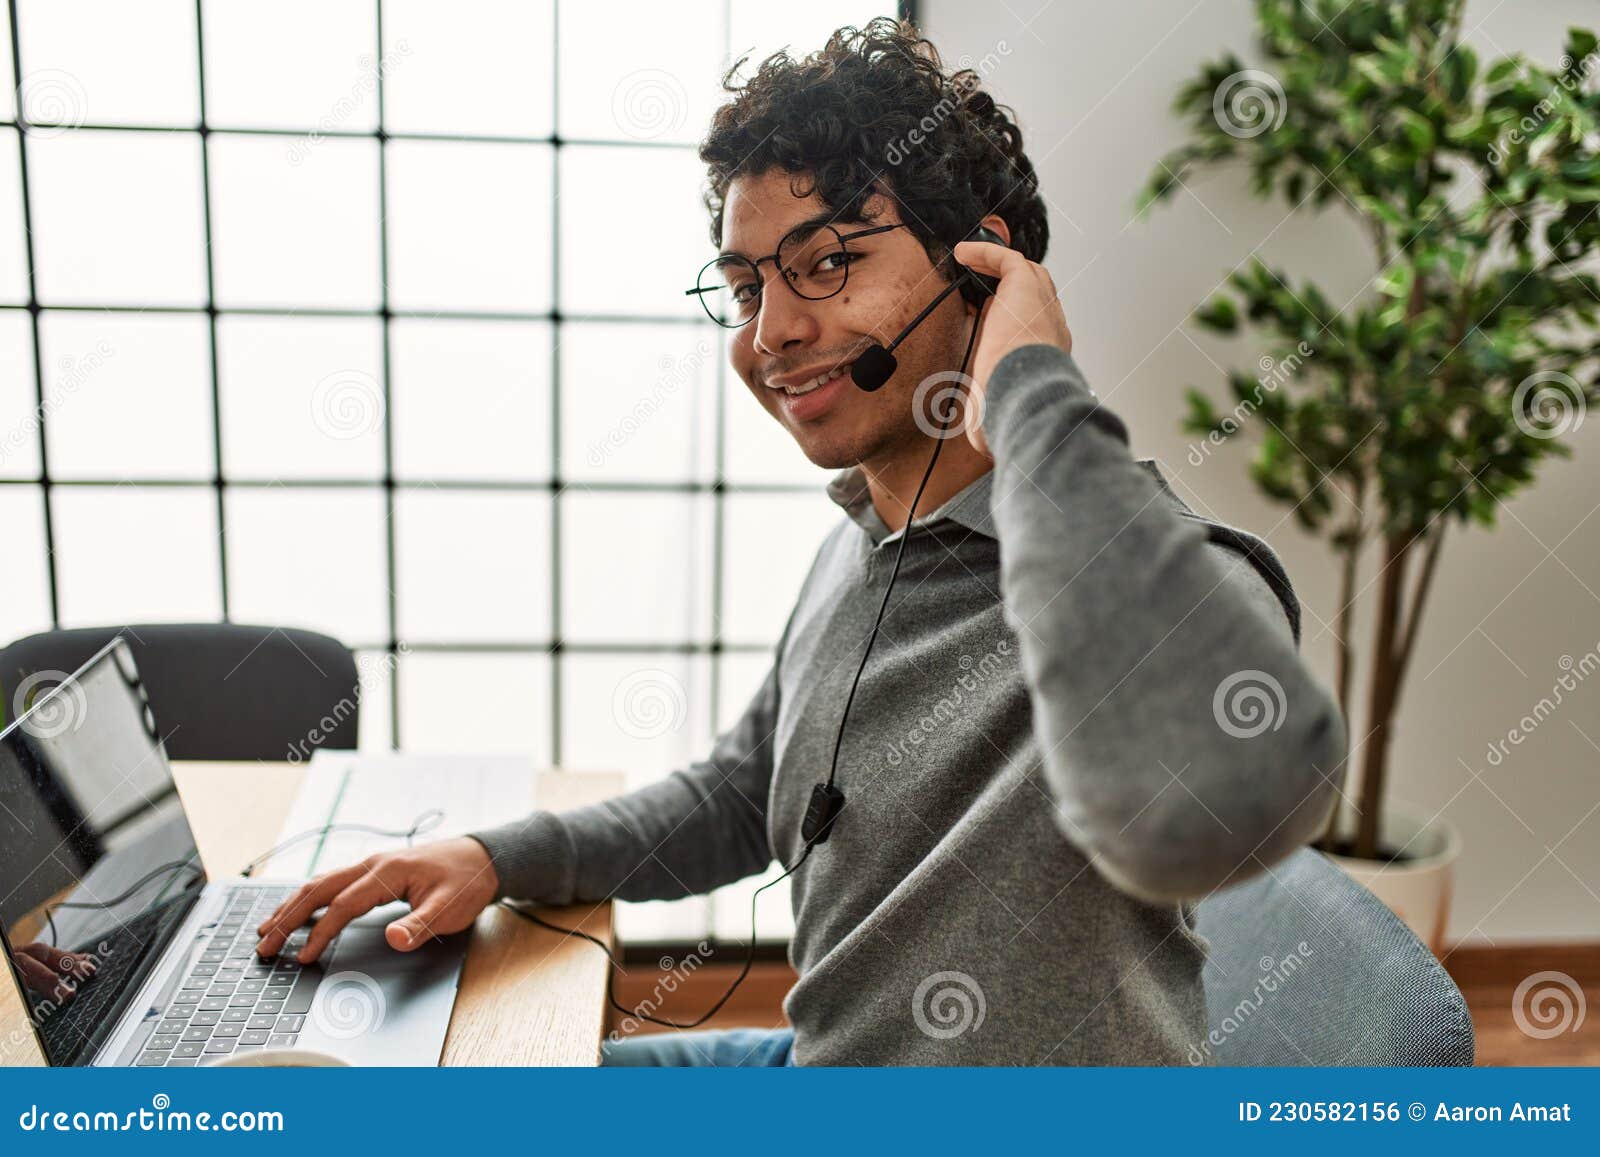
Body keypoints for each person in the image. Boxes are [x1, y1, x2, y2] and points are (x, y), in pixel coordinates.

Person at [255, 18, 1347, 1066]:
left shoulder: (1155, 565)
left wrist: (1027, 384)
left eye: (826, 263)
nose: (770, 332)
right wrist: (495, 856)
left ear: (984, 269)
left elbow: (1228, 786)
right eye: (745, 287)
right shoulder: (865, 538)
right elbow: (741, 792)